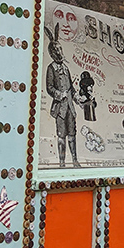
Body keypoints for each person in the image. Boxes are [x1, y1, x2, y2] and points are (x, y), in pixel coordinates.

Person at [45, 36, 80, 168]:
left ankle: (75, 160)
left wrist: (76, 98)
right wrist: (60, 94)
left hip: (70, 107)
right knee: (61, 136)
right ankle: (62, 163)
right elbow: (49, 88)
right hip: (60, 108)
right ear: (52, 53)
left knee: (72, 134)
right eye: (57, 50)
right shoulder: (51, 68)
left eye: (60, 49)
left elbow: (71, 87)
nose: (60, 52)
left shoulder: (66, 68)